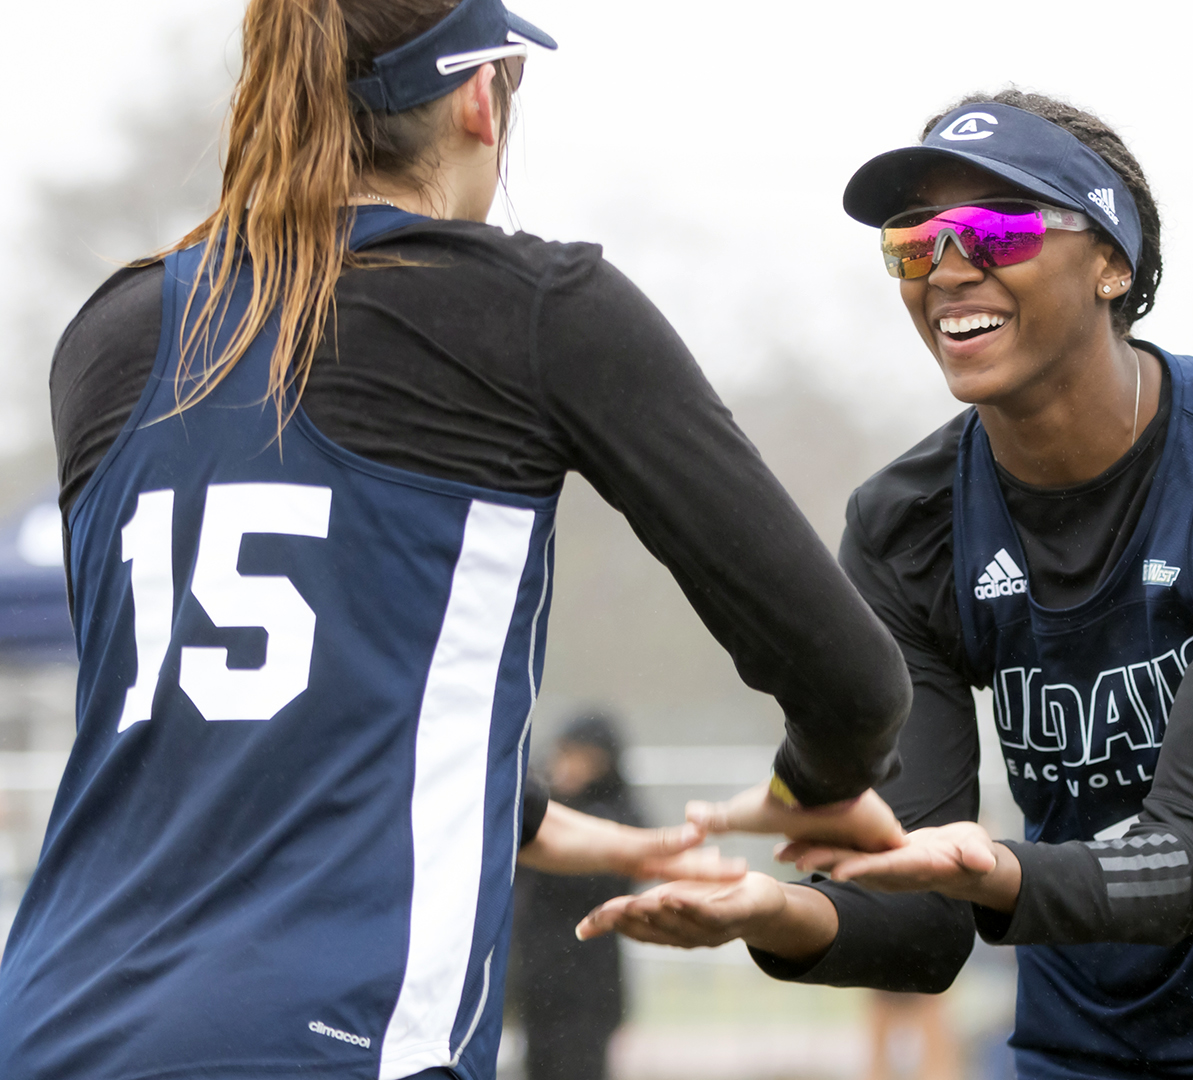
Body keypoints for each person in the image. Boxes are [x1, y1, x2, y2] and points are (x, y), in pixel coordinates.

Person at [0, 0, 912, 1077]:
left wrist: (523, 814)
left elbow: (238, 690)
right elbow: (852, 681)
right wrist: (813, 787)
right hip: (333, 1040)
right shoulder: (538, 312)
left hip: (46, 1022)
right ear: (482, 95)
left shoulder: (112, 330)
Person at [583, 91, 1193, 1079]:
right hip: (1095, 1046)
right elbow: (922, 928)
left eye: (995, 229)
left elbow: (1185, 858)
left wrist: (987, 866)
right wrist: (777, 910)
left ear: (1112, 263)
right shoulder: (907, 528)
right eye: (914, 244)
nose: (948, 269)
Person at [510, 714, 644, 1080]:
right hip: (539, 972)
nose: (568, 765)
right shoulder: (539, 810)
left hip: (590, 977)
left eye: (580, 756)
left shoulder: (618, 813)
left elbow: (614, 879)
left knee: (581, 1065)